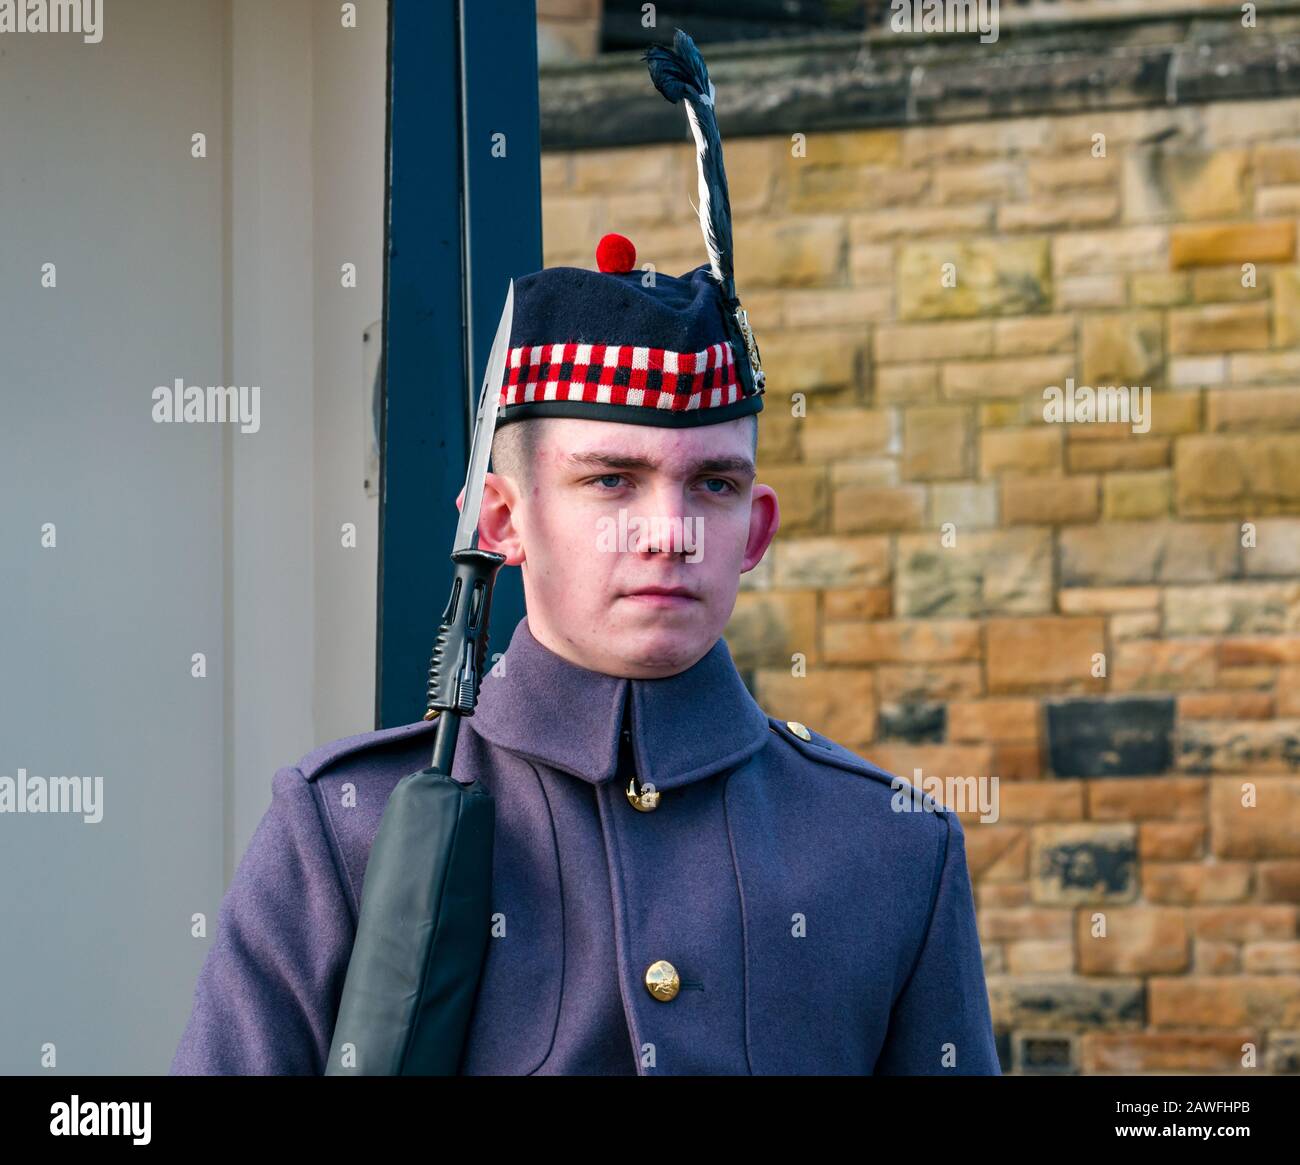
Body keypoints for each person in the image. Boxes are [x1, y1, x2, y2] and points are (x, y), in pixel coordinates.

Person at [170, 28, 1001, 1077]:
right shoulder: (342, 830)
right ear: (499, 523)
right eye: (610, 481)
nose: (670, 528)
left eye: (713, 483)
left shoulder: (887, 850)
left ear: (758, 531)